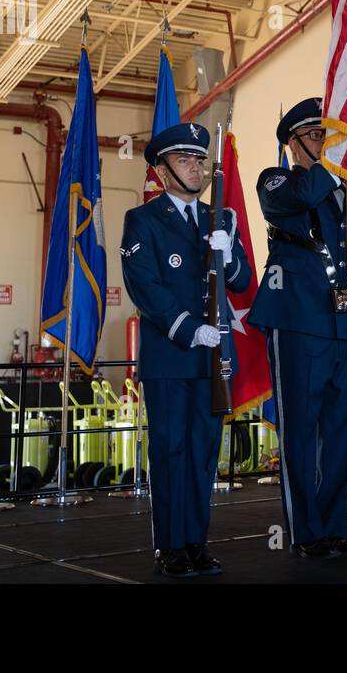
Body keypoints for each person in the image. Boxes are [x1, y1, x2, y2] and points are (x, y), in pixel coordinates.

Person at [246, 97, 347, 558]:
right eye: (317, 134)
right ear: (293, 142)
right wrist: (334, 165)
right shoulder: (276, 180)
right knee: (301, 429)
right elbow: (300, 200)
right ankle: (305, 532)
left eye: (329, 134)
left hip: (345, 323)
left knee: (341, 429)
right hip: (299, 319)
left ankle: (334, 527)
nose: (327, 142)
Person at [119, 121, 250, 578]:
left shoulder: (222, 219)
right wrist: (188, 328)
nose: (195, 167)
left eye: (199, 159)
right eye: (183, 160)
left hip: (215, 358)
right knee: (172, 450)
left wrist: (228, 255)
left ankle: (196, 541)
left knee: (202, 452)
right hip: (173, 357)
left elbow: (242, 282)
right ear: (161, 170)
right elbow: (146, 287)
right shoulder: (144, 220)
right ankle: (170, 545)